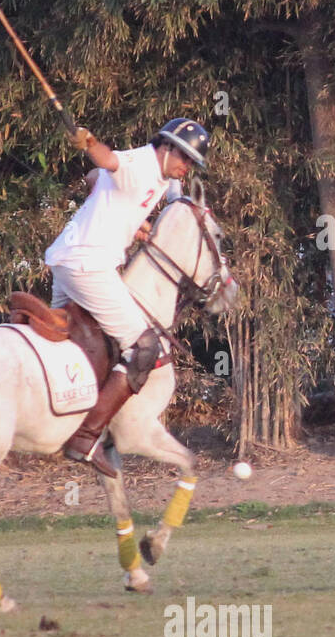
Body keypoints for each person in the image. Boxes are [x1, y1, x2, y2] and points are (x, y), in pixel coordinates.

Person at [45, 117, 211, 478]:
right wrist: (88, 142)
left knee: (66, 347)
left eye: (191, 164)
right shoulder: (139, 164)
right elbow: (106, 163)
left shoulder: (162, 178)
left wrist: (128, 224)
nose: (186, 169)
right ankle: (86, 438)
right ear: (166, 148)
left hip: (68, 260)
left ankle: (51, 420)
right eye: (185, 159)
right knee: (143, 347)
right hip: (88, 264)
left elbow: (94, 181)